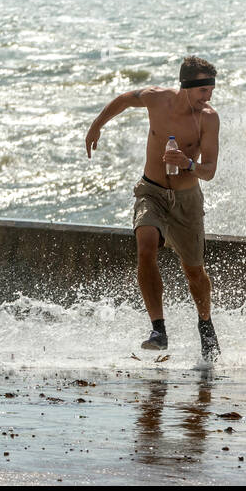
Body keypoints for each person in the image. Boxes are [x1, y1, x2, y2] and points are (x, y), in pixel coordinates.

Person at [85, 56, 221, 358]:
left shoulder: (209, 118)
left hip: (186, 201)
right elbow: (124, 99)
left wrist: (187, 163)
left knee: (194, 273)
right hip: (151, 191)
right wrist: (96, 125)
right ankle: (158, 329)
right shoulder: (157, 99)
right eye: (203, 91)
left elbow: (209, 170)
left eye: (211, 90)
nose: (208, 97)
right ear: (186, 86)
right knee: (145, 244)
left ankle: (205, 325)